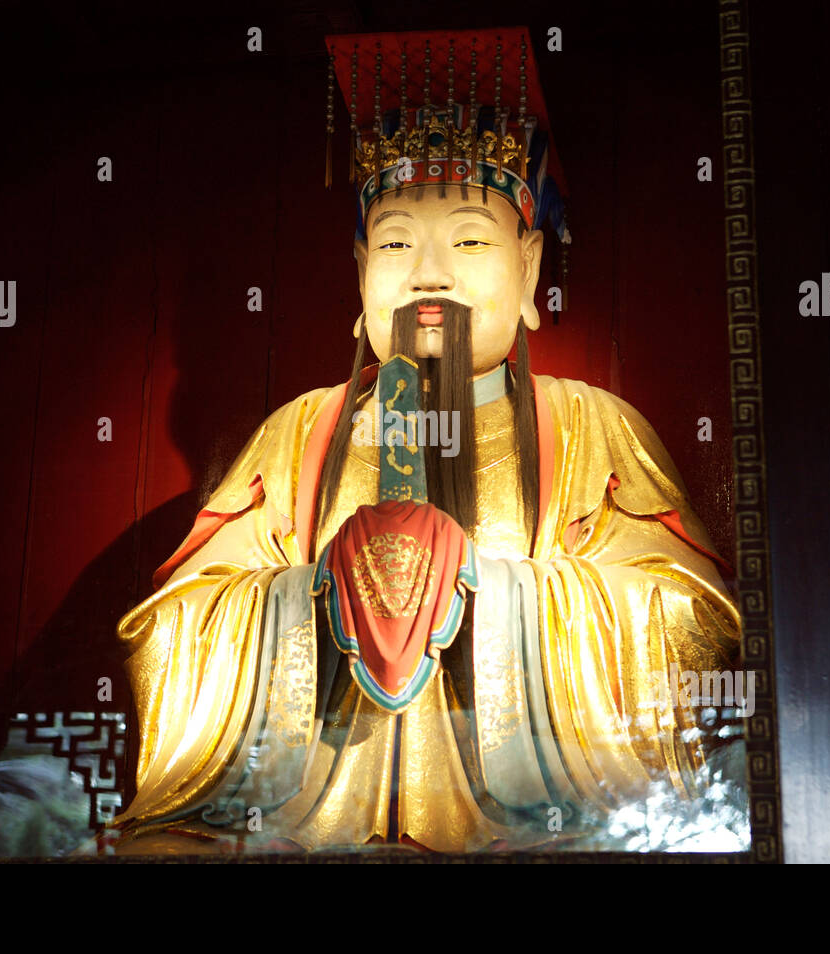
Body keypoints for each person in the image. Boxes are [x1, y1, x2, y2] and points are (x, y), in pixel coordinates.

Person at [110, 28, 745, 854]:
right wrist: (316, 600)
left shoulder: (593, 427)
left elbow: (695, 623)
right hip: (305, 828)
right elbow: (171, 629)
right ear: (359, 271)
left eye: (471, 240)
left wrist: (494, 596)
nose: (429, 272)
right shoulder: (299, 436)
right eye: (396, 242)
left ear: (529, 268)